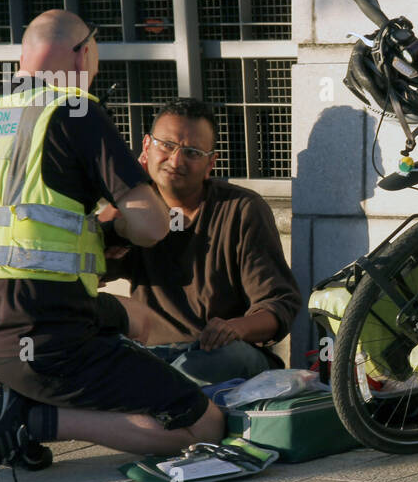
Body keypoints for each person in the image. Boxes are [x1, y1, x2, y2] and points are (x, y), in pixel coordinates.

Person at [0, 10, 225, 482]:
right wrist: (119, 222)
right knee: (203, 425)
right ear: (85, 52)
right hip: (47, 338)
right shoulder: (73, 111)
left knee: (127, 315)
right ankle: (33, 421)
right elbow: (150, 225)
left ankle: (19, 400)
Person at [100, 98, 300, 386]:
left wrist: (236, 328)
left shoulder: (242, 209)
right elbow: (87, 270)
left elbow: (280, 304)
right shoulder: (134, 210)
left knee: (203, 365)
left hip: (223, 355)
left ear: (210, 164)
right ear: (146, 147)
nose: (176, 161)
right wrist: (122, 200)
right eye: (165, 146)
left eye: (192, 152)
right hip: (152, 352)